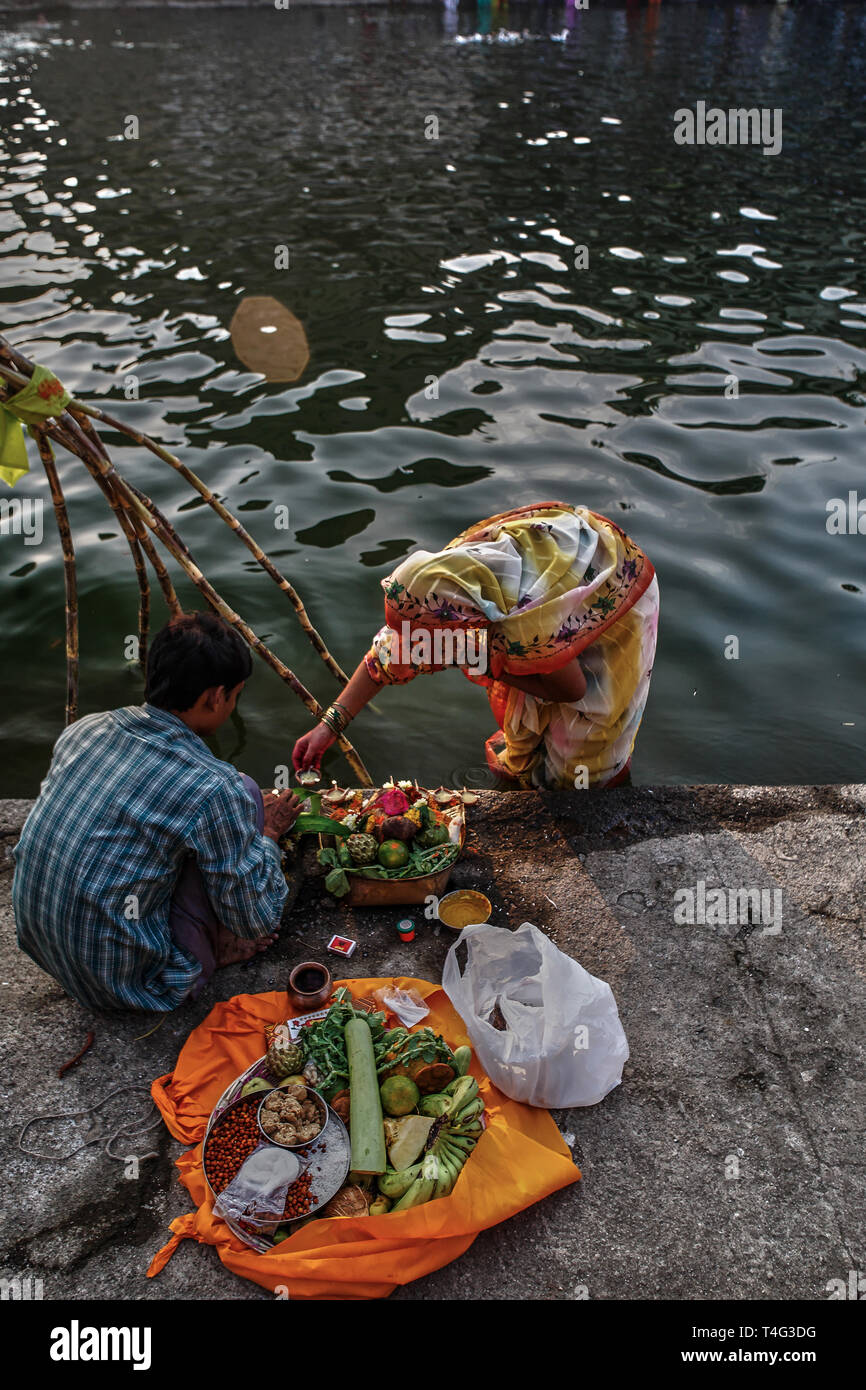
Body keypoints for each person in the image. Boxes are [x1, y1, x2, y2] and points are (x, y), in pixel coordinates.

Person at [13, 612, 301, 1012]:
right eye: (235, 696)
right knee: (245, 794)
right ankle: (207, 955)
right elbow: (256, 919)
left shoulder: (86, 729)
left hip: (44, 949)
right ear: (216, 697)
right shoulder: (214, 787)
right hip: (132, 984)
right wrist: (267, 834)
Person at [293, 501, 659, 790]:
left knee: (580, 759)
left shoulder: (524, 621)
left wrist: (488, 662)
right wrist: (330, 724)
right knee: (523, 736)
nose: (427, 643)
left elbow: (571, 689)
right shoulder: (452, 577)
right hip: (555, 575)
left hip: (612, 604)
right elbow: (391, 653)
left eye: (438, 637)